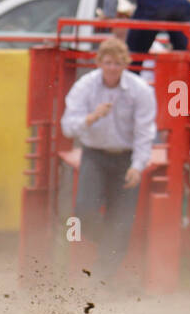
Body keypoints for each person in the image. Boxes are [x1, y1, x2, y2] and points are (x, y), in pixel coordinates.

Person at [59, 37, 157, 283]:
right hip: (94, 155)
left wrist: (137, 165)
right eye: (108, 62)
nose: (113, 68)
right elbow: (68, 127)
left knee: (122, 220)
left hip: (125, 158)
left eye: (117, 63)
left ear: (125, 64)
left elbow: (145, 132)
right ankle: (109, 246)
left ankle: (102, 280)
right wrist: (91, 118)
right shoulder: (85, 86)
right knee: (84, 210)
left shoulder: (140, 90)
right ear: (99, 62)